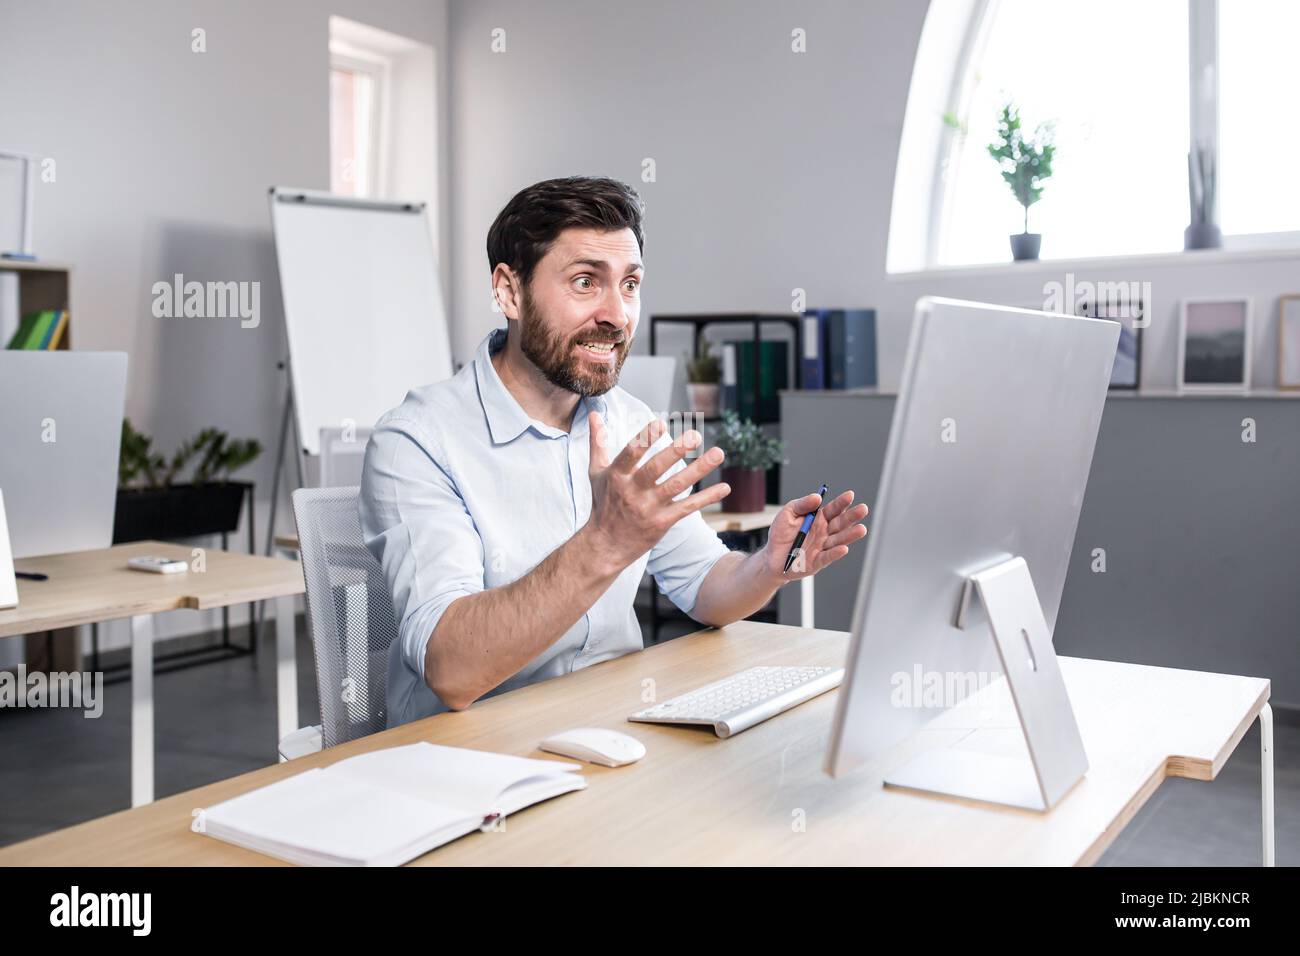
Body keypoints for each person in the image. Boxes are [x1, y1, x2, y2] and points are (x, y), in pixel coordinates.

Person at [360, 176, 868, 725]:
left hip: (612, 725)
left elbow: (704, 586)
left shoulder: (631, 423)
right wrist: (607, 541)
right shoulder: (417, 441)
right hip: (475, 759)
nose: (618, 315)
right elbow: (451, 669)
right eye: (585, 282)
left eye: (629, 284)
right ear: (508, 292)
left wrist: (768, 565)